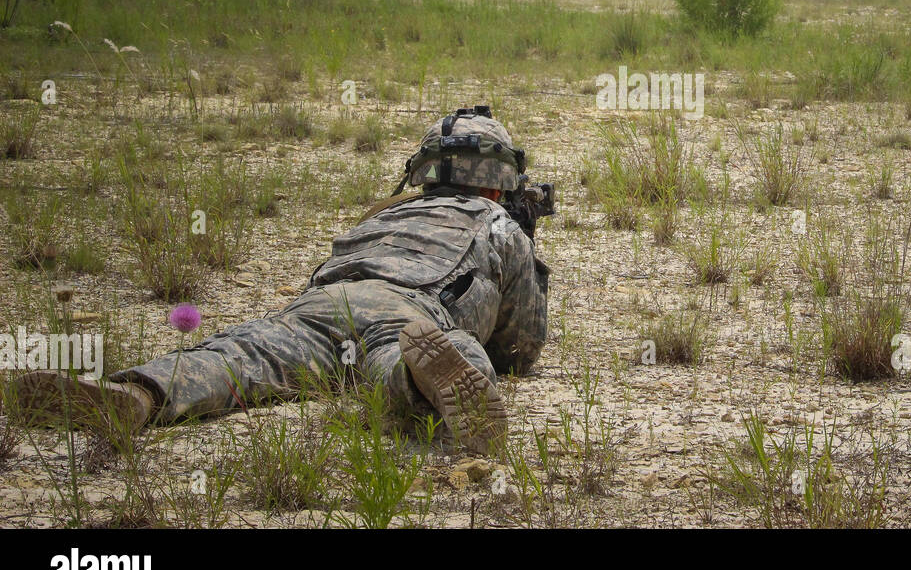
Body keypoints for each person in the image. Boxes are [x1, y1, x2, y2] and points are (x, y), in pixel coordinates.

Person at [16, 107, 549, 453]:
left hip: (322, 304)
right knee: (413, 357)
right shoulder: (497, 224)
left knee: (242, 355)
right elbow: (519, 346)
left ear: (424, 174)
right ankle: (418, 378)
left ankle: (136, 393)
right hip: (410, 313)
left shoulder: (384, 213)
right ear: (499, 185)